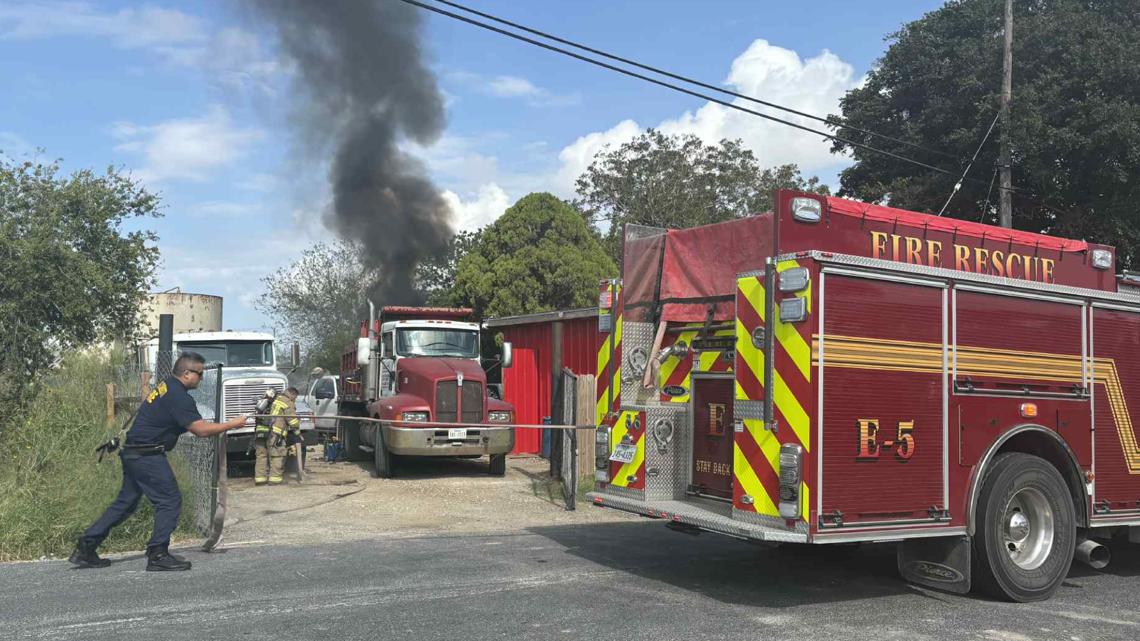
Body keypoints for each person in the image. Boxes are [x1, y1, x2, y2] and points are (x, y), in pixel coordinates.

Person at [70, 352, 247, 571]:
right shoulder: (178, 395)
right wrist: (233, 424)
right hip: (147, 455)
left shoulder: (167, 387)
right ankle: (158, 554)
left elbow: (184, 421)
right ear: (186, 373)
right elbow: (200, 430)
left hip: (135, 452)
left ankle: (85, 548)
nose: (201, 379)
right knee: (169, 501)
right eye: (199, 374)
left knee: (125, 503)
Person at [264, 387, 301, 485]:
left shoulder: (278, 399)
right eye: (295, 397)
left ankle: (272, 477)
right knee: (278, 455)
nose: (295, 400)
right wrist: (297, 427)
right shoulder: (288, 402)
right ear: (292, 394)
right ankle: (275, 480)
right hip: (278, 434)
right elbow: (292, 420)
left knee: (272, 455)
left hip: (271, 432)